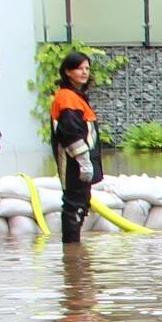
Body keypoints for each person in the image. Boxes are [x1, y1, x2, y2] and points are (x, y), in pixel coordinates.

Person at [50, 51, 104, 244]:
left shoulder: (76, 97)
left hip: (81, 161)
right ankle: (71, 251)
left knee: (81, 201)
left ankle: (74, 250)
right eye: (79, 68)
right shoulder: (67, 98)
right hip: (74, 162)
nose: (84, 72)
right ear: (67, 71)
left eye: (87, 68)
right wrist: (84, 161)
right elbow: (70, 133)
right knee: (74, 203)